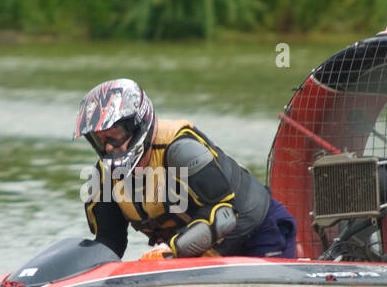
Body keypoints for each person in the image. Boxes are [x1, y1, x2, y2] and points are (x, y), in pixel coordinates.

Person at [75, 78, 298, 259]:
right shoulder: (103, 179)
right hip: (199, 253)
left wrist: (171, 251)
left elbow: (222, 216)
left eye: (114, 136)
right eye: (99, 140)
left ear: (137, 125)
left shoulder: (179, 149)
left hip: (258, 233)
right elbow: (109, 242)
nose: (108, 147)